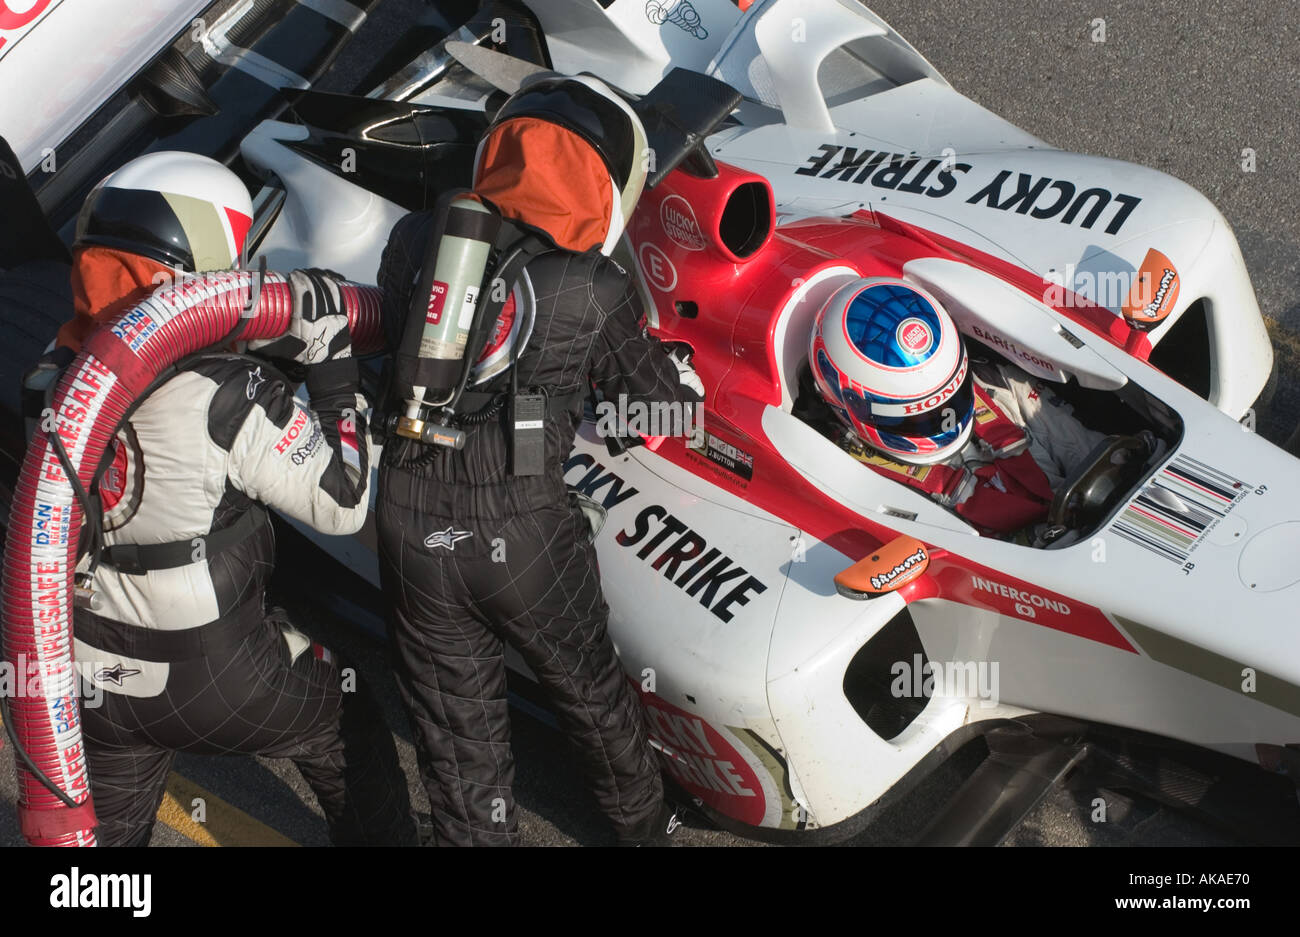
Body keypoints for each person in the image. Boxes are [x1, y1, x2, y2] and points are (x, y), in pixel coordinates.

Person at [375, 75, 704, 846]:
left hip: (408, 516)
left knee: (458, 730)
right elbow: (653, 413)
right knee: (591, 694)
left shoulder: (416, 237)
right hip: (523, 529)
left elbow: (391, 344)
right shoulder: (596, 284)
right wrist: (680, 377)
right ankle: (643, 830)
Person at [52, 151, 415, 846]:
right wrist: (333, 362)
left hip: (88, 666)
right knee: (348, 713)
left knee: (105, 849)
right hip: (214, 672)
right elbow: (343, 502)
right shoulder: (228, 393)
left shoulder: (58, 369)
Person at [804, 278, 1104, 537]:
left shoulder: (994, 383)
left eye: (951, 397)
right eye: (918, 417)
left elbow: (1091, 452)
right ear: (847, 407)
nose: (945, 421)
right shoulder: (847, 480)